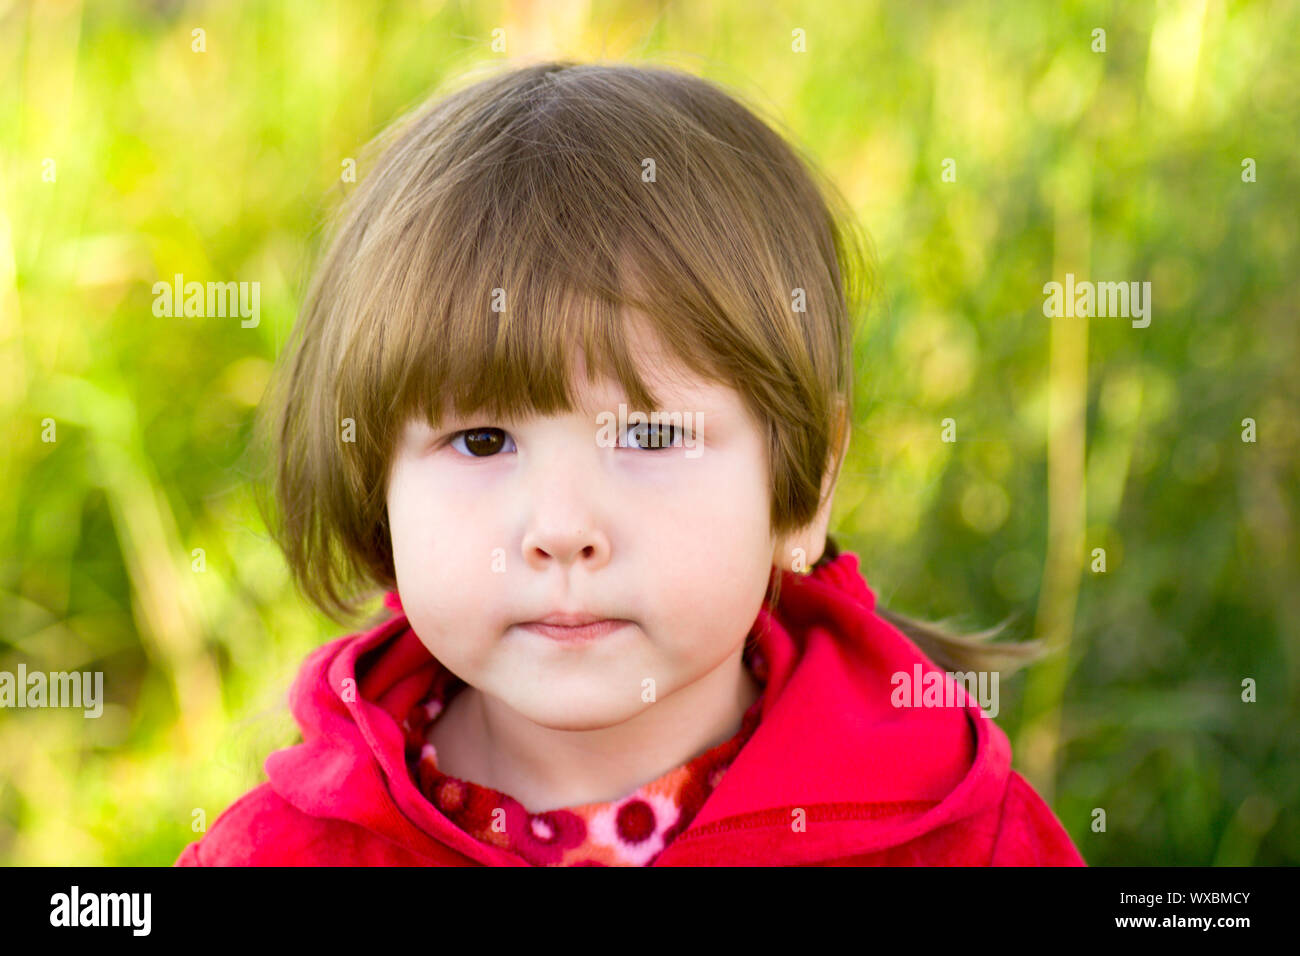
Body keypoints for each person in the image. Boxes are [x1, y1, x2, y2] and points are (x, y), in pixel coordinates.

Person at [175, 61, 1085, 866]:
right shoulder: (288, 853)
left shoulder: (958, 840)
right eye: (482, 441)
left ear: (803, 483)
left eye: (651, 436)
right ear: (375, 482)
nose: (564, 530)